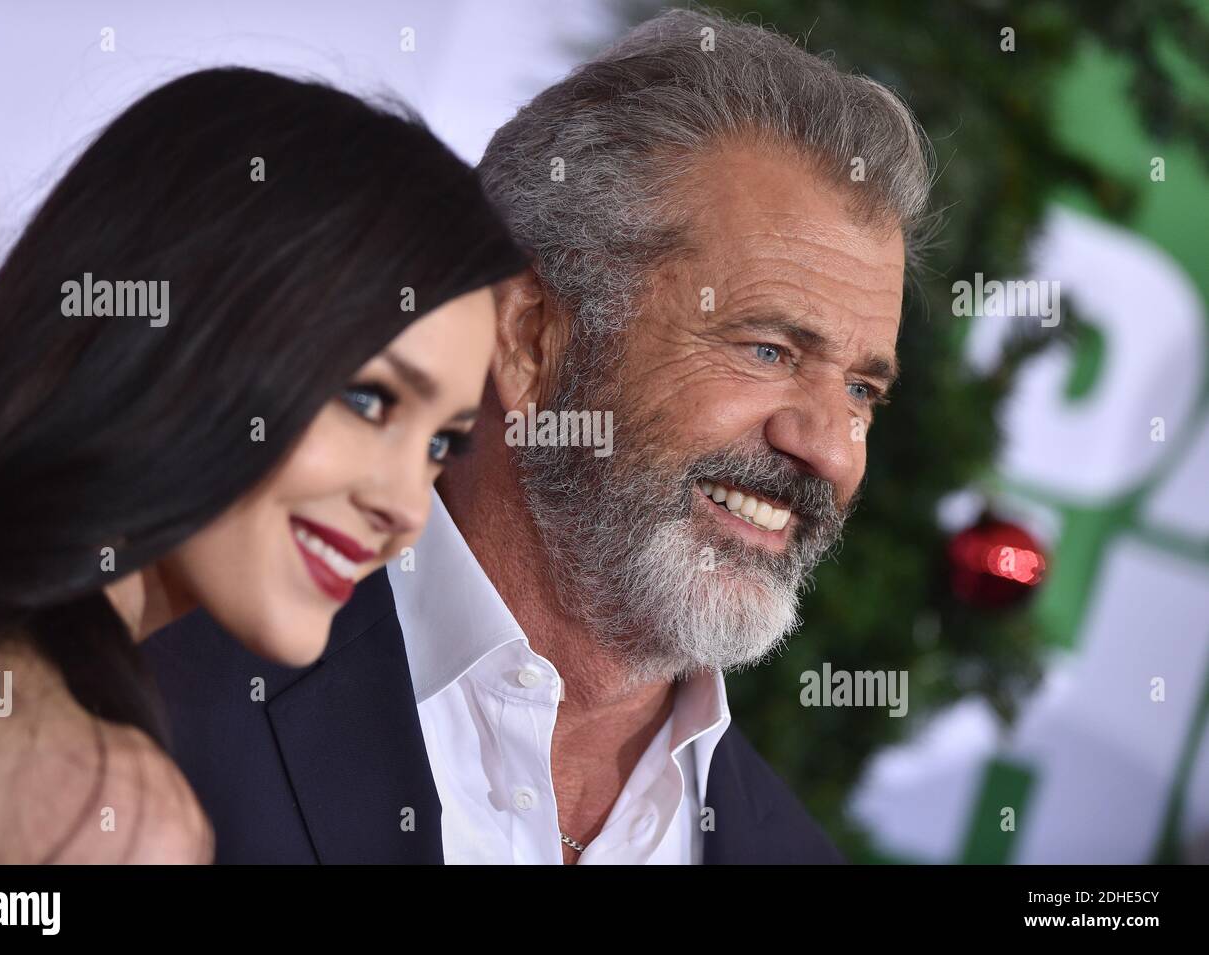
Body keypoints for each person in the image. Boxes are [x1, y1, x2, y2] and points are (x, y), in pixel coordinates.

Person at [149, 8, 934, 864]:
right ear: (529, 340)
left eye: (862, 388)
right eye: (768, 348)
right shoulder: (147, 671)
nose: (829, 447)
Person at [0, 67, 528, 862]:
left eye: (441, 444)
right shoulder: (105, 817)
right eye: (370, 401)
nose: (407, 508)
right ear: (190, 336)